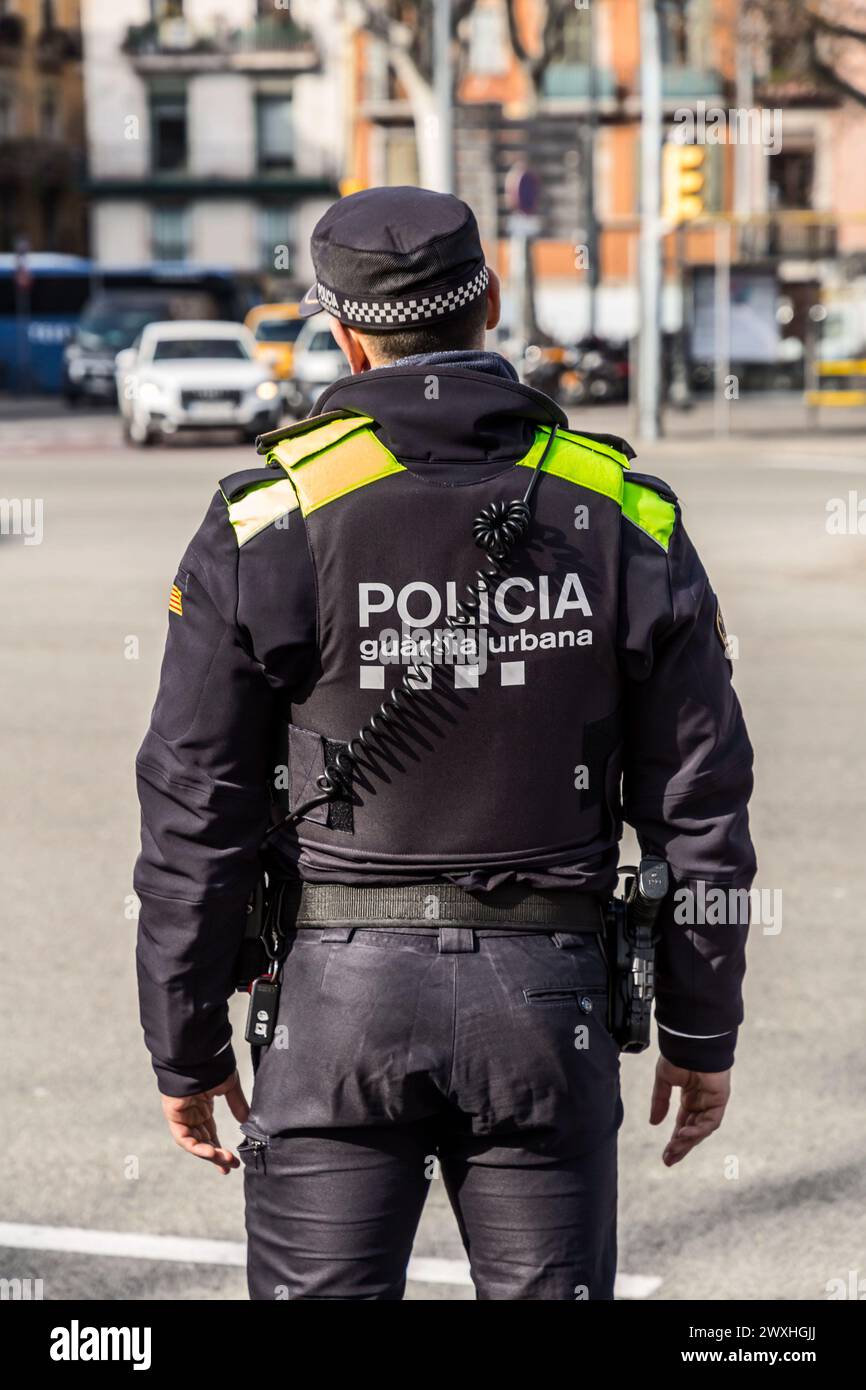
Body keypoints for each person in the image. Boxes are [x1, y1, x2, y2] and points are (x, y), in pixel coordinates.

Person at [135, 186, 756, 1301]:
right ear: (493, 303)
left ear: (343, 333)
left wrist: (184, 1042)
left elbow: (196, 808)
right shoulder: (625, 511)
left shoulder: (267, 519)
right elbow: (700, 806)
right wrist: (699, 1028)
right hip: (547, 1013)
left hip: (335, 1013)